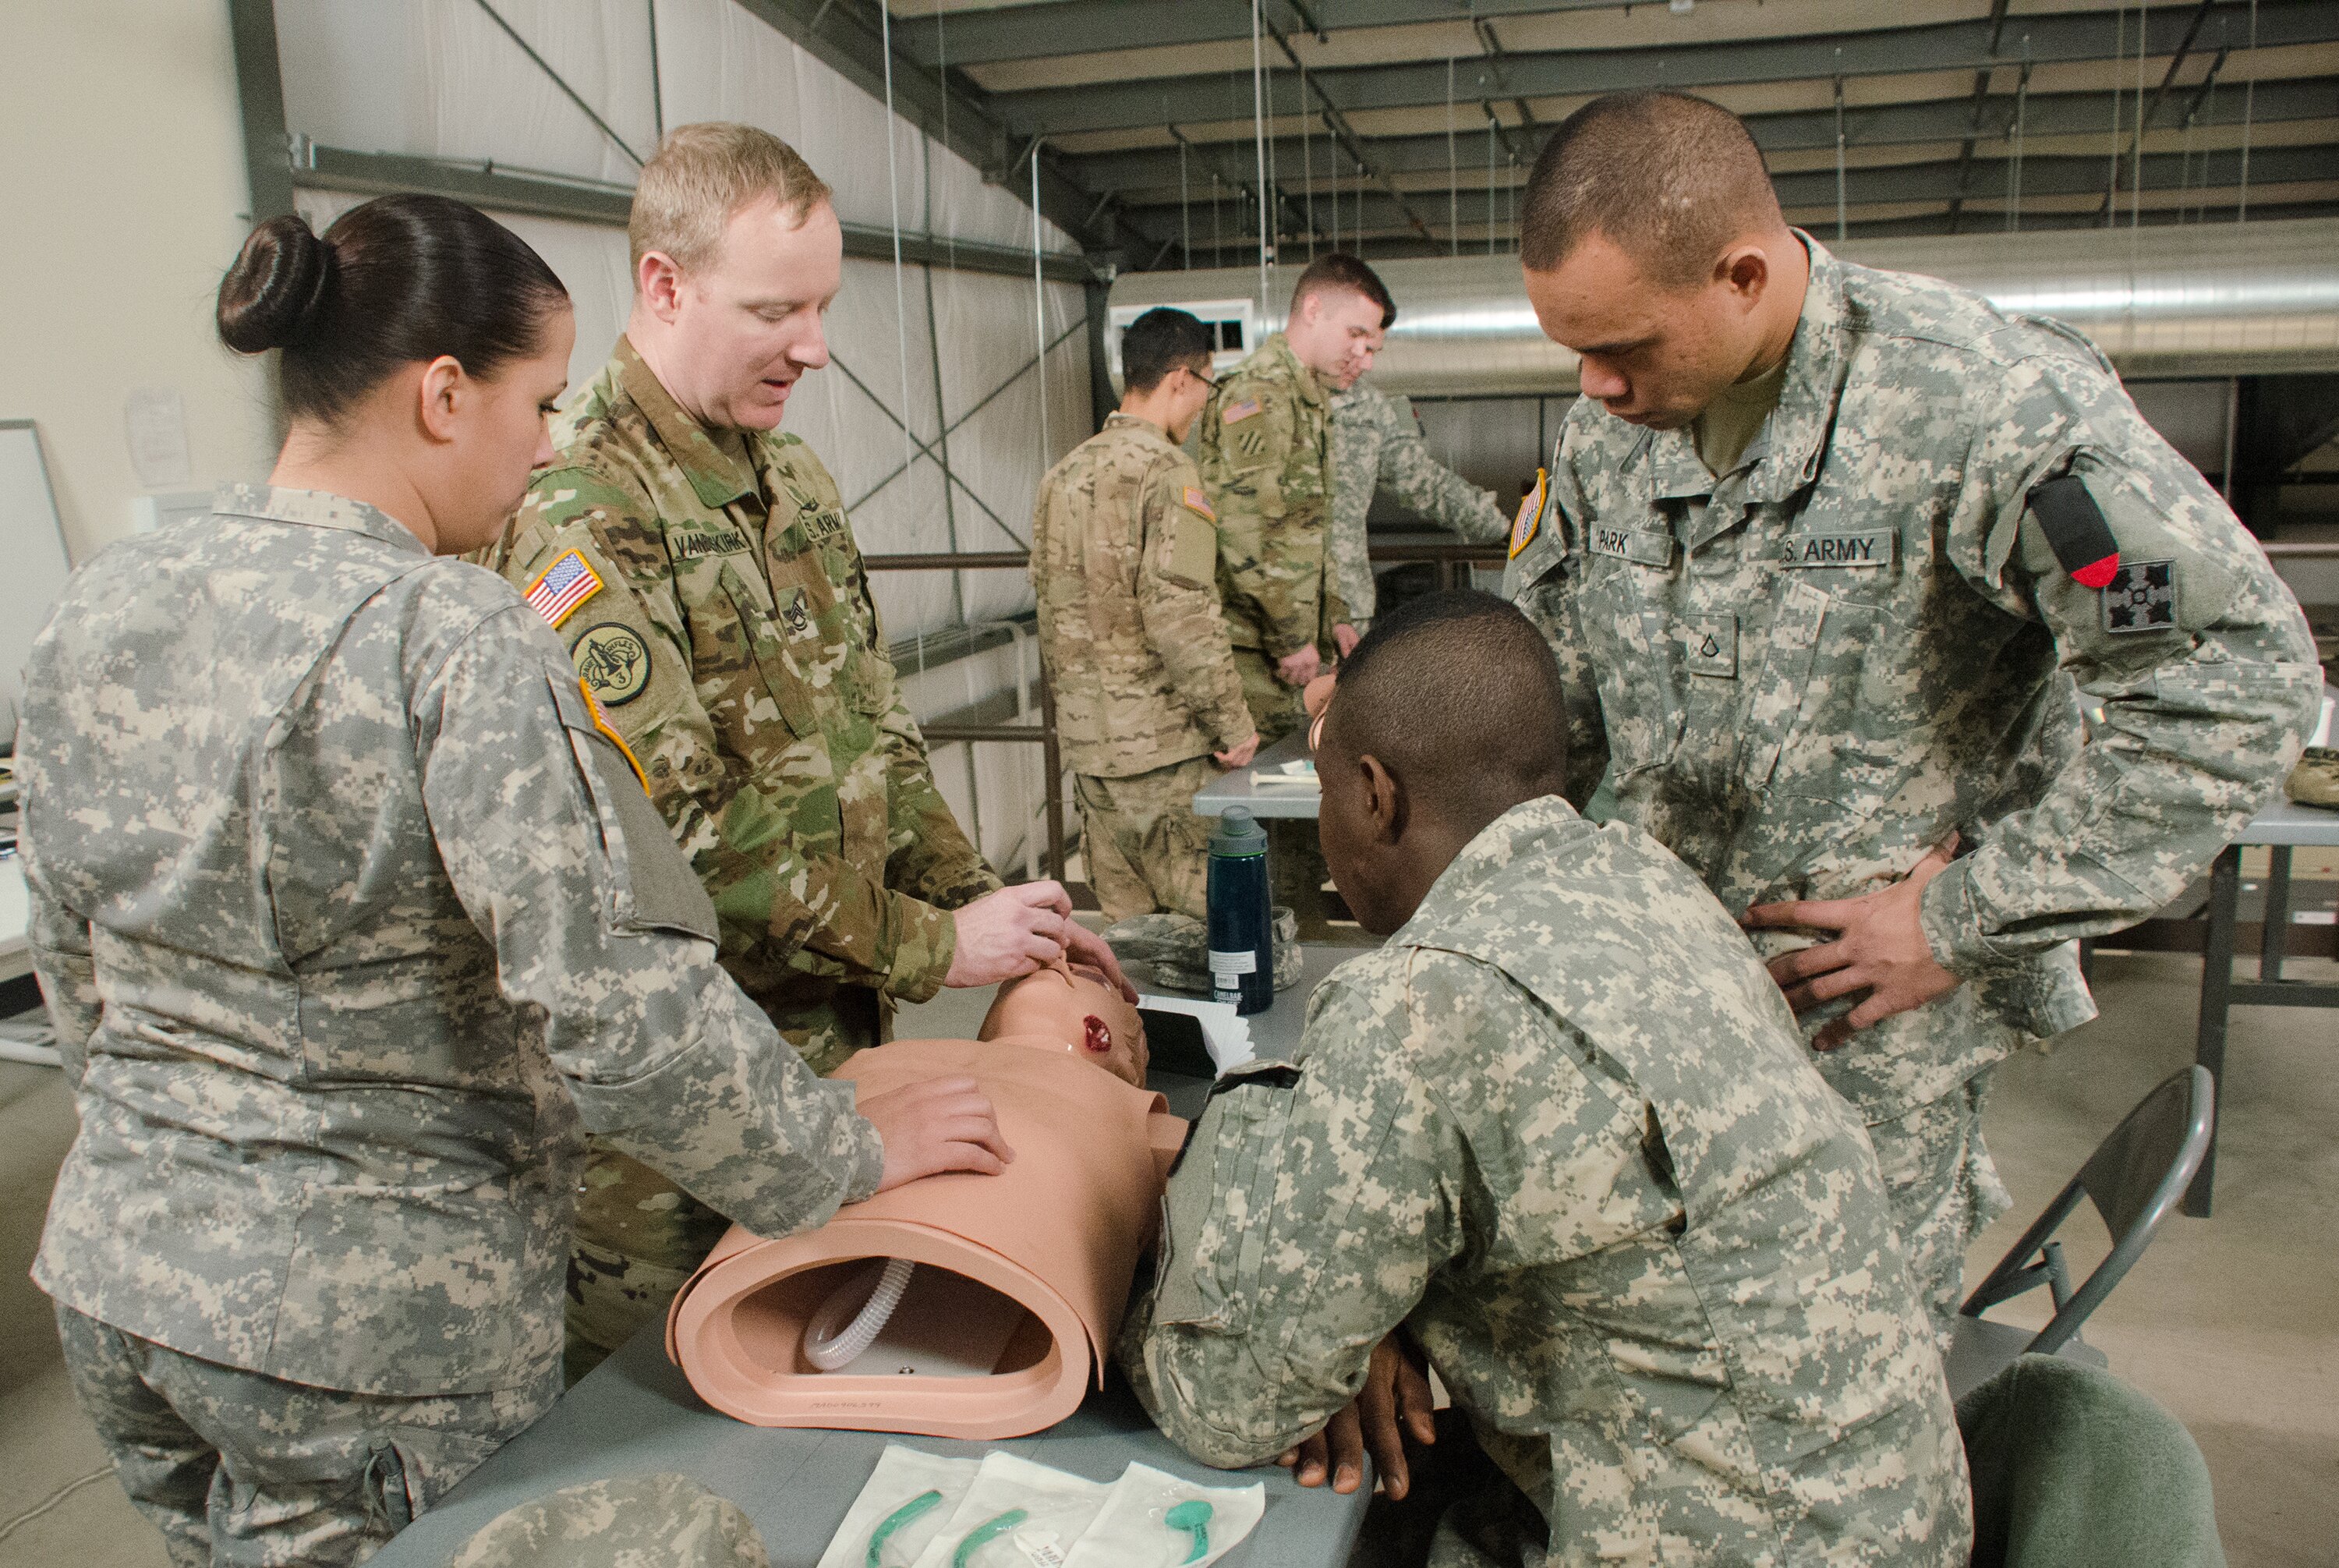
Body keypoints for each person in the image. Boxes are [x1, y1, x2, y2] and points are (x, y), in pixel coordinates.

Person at [19, 196, 1012, 1568]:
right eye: (537, 403)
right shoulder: (449, 634)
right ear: (443, 396)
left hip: (124, 1284)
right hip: (368, 1328)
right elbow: (615, 1007)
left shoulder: (107, 598)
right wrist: (843, 1153)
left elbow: (75, 956)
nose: (548, 445)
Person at [1506, 91, 2321, 1328]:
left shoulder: (1989, 408)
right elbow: (1548, 693)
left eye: (1625, 346)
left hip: (1860, 1056)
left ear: (1741, 274)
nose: (1596, 383)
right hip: (1651, 1018)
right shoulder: (1608, 435)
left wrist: (1965, 913)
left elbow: (2233, 683)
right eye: (1571, 348)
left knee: (1843, 1422)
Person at [1122, 592, 1969, 1568]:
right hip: (1885, 1518)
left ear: (1373, 792)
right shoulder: (1653, 887)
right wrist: (1371, 1309)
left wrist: (1162, 1228)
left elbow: (1233, 1400)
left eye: (1320, 790)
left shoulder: (1420, 999)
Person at [478, 123, 1128, 1378]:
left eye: (823, 305)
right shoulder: (583, 514)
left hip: (842, 1070)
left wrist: (977, 896)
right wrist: (938, 946)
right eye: (777, 308)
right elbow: (678, 843)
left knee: (852, 1365)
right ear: (665, 285)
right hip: (682, 1134)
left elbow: (877, 735)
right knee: (693, 1396)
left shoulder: (795, 484)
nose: (815, 346)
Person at [1031, 306, 1258, 924]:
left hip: (1092, 757)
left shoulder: (1061, 475)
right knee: (1213, 929)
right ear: (1182, 378)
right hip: (1164, 758)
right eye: (1208, 387)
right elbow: (1180, 613)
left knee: (1130, 947)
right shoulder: (1169, 471)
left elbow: (1051, 615)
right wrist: (1233, 724)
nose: (1205, 405)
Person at [1325, 336, 1508, 653]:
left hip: (1344, 613)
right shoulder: (1257, 395)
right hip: (1263, 615)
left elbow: (1420, 479)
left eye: (1371, 350)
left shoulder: (1363, 407)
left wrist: (1502, 528)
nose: (1366, 362)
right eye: (1358, 341)